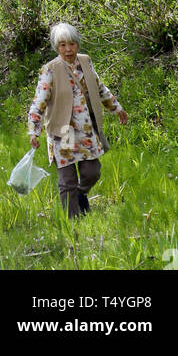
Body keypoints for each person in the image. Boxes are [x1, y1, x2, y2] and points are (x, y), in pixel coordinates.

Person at [27, 22, 128, 218]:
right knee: (67, 181)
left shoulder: (85, 62)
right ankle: (72, 222)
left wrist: (117, 108)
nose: (68, 49)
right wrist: (33, 131)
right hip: (62, 133)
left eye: (72, 44)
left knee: (92, 172)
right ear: (57, 47)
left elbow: (100, 88)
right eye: (63, 45)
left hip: (86, 130)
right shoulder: (50, 70)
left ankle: (81, 195)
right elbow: (38, 102)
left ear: (78, 44)